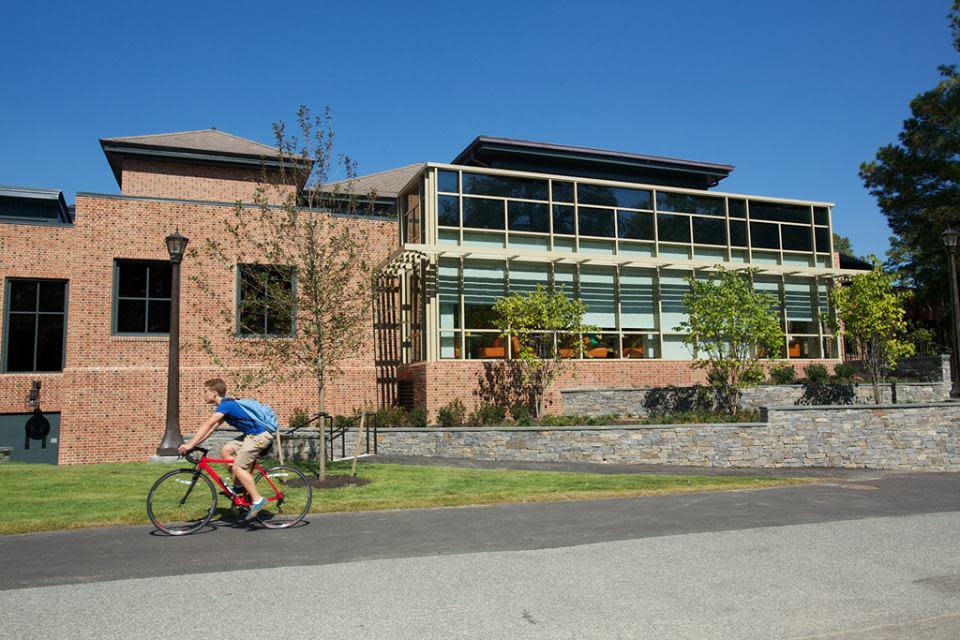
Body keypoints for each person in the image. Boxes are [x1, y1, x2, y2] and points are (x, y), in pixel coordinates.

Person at [178, 378, 274, 520]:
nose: (203, 395)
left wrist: (189, 444)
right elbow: (211, 429)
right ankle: (239, 487)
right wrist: (196, 444)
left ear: (214, 393)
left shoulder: (225, 405)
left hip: (260, 436)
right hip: (251, 435)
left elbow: (207, 424)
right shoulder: (225, 406)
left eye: (205, 392)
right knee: (226, 451)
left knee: (237, 468)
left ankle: (258, 499)